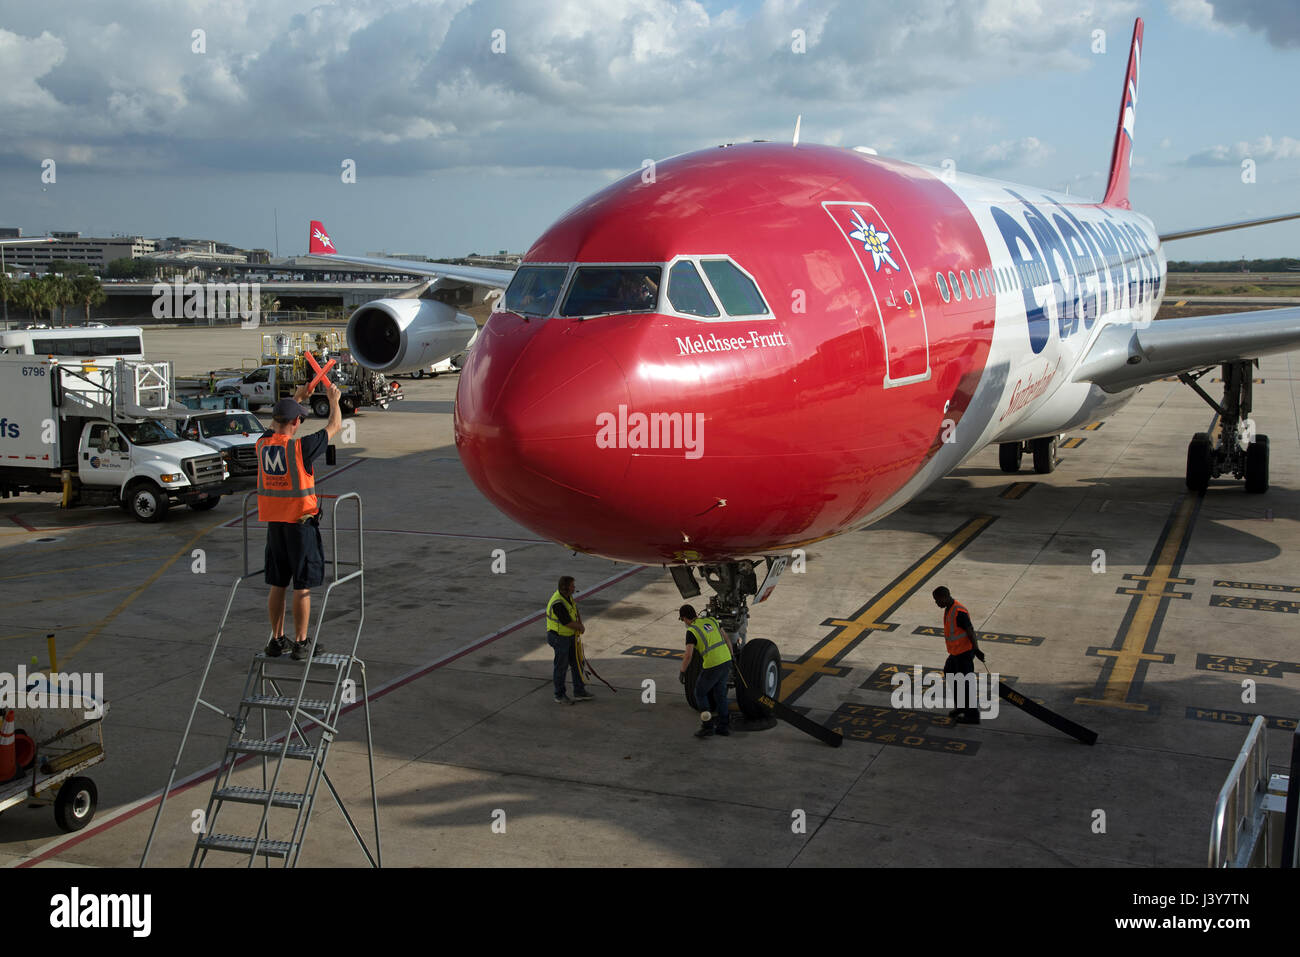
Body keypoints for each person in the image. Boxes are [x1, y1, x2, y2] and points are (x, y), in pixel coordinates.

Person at [258, 380, 342, 661]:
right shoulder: (300, 449)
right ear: (297, 421)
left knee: (277, 584)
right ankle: (301, 642)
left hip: (275, 527)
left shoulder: (262, 444)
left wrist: (296, 398)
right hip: (300, 525)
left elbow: (277, 427)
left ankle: (277, 639)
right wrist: (334, 400)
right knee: (301, 586)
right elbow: (334, 427)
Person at [678, 604, 734, 738]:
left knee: (699, 692)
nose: (683, 622)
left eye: (682, 620)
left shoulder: (692, 631)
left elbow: (688, 655)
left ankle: (707, 726)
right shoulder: (712, 620)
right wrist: (731, 656)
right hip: (726, 660)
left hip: (713, 664)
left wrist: (682, 671)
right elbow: (726, 638)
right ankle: (723, 726)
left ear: (685, 618)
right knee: (720, 694)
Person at [932, 585, 985, 724]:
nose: (936, 603)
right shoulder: (949, 608)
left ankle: (972, 715)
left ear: (944, 597)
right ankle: (961, 706)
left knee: (965, 683)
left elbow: (970, 631)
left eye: (937, 600)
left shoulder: (958, 611)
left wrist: (976, 649)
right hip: (956, 653)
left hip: (964, 653)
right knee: (949, 672)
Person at [545, 576, 594, 704]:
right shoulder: (558, 603)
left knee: (578, 662)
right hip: (559, 637)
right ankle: (559, 695)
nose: (574, 587)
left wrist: (580, 623)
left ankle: (579, 691)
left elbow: (575, 610)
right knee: (561, 667)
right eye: (572, 585)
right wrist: (579, 627)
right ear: (565, 588)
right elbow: (566, 621)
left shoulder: (567, 596)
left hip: (570, 636)